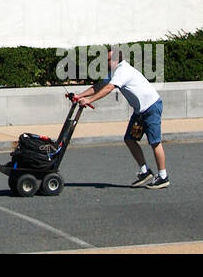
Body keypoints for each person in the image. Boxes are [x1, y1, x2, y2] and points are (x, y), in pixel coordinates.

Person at [68, 47, 169, 189]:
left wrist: (90, 101)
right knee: (129, 139)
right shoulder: (114, 72)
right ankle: (145, 171)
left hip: (151, 108)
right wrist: (80, 95)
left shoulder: (123, 71)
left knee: (155, 142)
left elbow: (109, 88)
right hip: (140, 111)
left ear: (116, 60)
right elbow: (99, 86)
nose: (106, 62)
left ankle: (163, 176)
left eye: (108, 59)